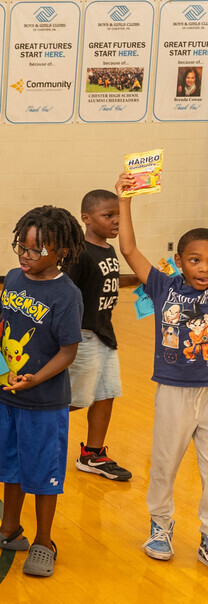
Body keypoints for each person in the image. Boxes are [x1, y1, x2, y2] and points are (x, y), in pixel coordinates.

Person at [0, 205, 85, 579]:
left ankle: (44, 541)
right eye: (21, 247)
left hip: (45, 402)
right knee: (11, 467)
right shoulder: (14, 278)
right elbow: (6, 316)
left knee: (44, 473)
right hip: (7, 394)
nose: (26, 256)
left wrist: (37, 378)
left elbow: (69, 350)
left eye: (36, 250)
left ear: (61, 251)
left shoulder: (66, 295)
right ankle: (8, 530)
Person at [114, 172, 208, 564]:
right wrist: (126, 200)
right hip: (173, 389)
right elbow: (129, 248)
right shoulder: (163, 287)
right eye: (195, 259)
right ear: (180, 261)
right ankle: (161, 524)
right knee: (166, 462)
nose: (203, 267)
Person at [65, 188, 132, 481]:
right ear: (86, 218)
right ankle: (26, 422)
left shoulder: (108, 249)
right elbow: (64, 293)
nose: (116, 221)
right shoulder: (78, 253)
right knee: (76, 399)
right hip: (84, 334)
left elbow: (109, 280)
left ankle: (92, 454)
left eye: (118, 214)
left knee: (107, 395)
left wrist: (143, 277)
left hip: (105, 333)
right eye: (109, 215)